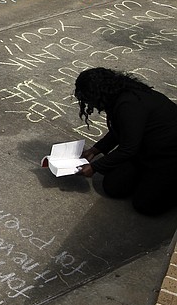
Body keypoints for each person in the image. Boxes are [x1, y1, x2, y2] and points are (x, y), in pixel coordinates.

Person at [73, 67, 177, 216]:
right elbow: (122, 130)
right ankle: (151, 181)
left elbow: (128, 148)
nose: (92, 106)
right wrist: (95, 150)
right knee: (113, 187)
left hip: (168, 156)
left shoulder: (128, 104)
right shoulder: (118, 97)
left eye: (90, 100)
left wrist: (94, 167)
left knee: (145, 205)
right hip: (146, 150)